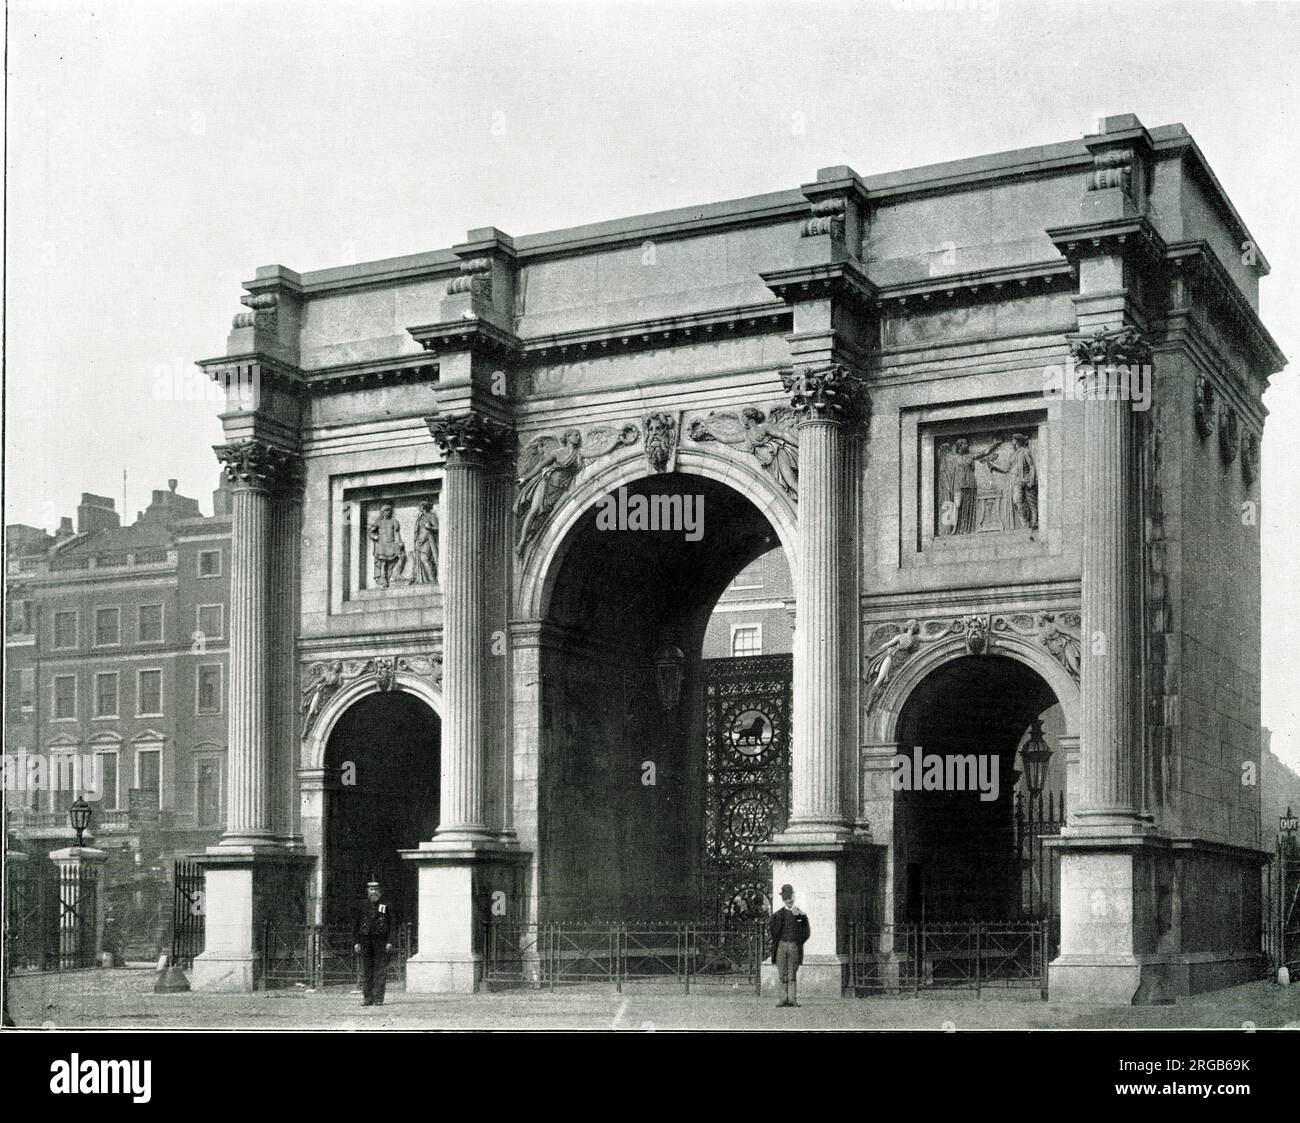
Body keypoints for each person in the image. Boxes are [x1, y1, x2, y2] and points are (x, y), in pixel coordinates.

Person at [353, 879, 394, 1006]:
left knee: (380, 969)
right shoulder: (362, 905)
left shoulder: (386, 905)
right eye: (371, 890)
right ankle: (367, 998)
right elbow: (356, 924)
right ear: (367, 891)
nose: (373, 892)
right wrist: (356, 942)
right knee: (366, 970)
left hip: (381, 941)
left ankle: (378, 998)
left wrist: (390, 941)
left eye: (376, 890)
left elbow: (392, 924)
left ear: (380, 891)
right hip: (365, 940)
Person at [769, 883, 811, 1008]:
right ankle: (783, 999)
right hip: (781, 946)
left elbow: (806, 932)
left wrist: (797, 942)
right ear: (783, 899)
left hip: (794, 946)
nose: (788, 900)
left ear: (793, 897)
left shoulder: (800, 915)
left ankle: (792, 999)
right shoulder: (777, 915)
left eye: (790, 897)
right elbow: (771, 929)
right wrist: (778, 940)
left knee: (792, 974)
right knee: (782, 974)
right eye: (785, 898)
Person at [368, 502, 406, 588]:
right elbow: (371, 531)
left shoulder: (394, 521)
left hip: (392, 543)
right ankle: (383, 579)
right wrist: (374, 536)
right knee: (383, 563)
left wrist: (400, 542)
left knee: (401, 556)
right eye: (386, 511)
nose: (388, 512)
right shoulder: (379, 522)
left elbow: (397, 533)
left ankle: (397, 574)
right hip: (382, 544)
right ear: (382, 512)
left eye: (389, 510)